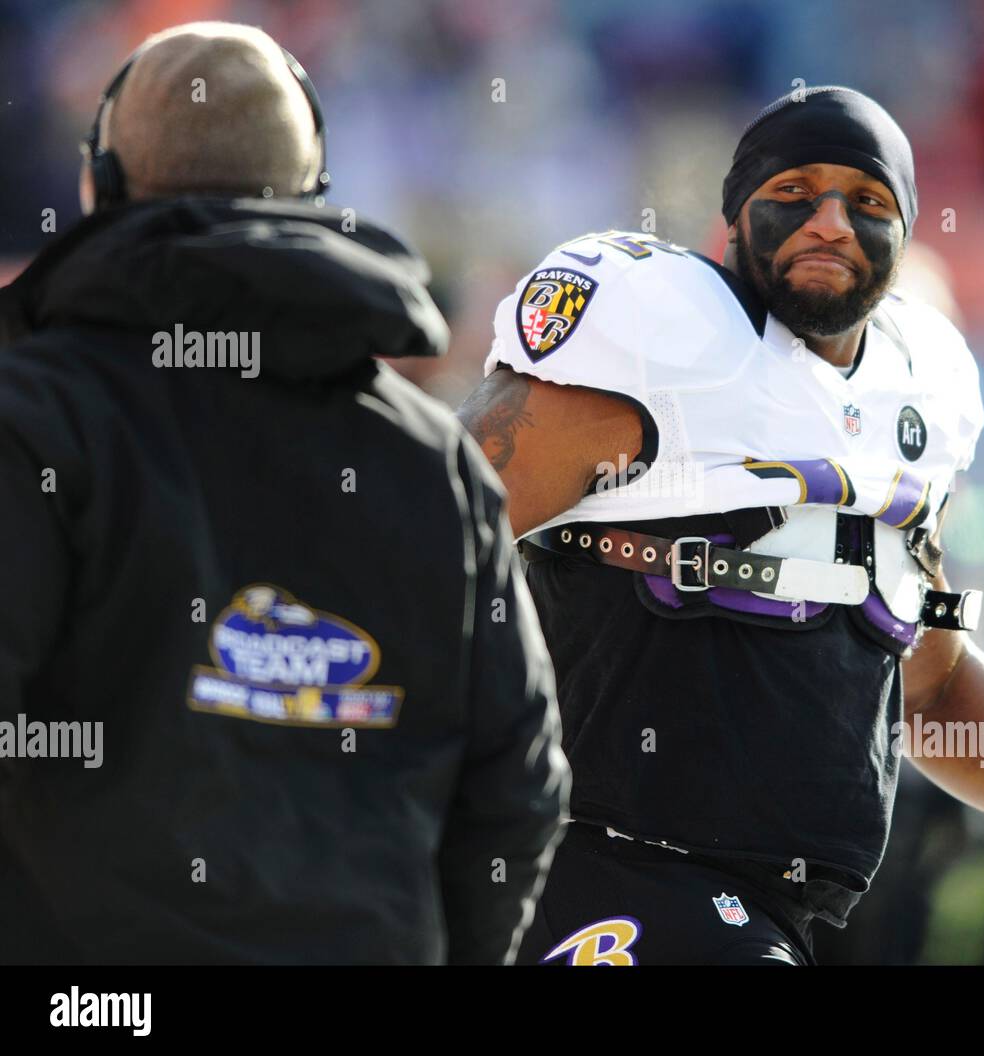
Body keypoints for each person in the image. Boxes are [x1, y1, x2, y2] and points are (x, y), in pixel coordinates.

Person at [458, 85, 984, 966]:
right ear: (736, 212)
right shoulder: (655, 333)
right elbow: (426, 532)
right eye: (796, 189)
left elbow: (929, 690)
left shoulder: (918, 387)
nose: (830, 221)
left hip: (778, 908)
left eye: (868, 201)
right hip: (599, 869)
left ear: (905, 233)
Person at [0, 21, 568, 965]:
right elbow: (517, 786)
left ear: (100, 186)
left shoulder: (33, 418)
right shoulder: (433, 457)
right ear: (314, 194)